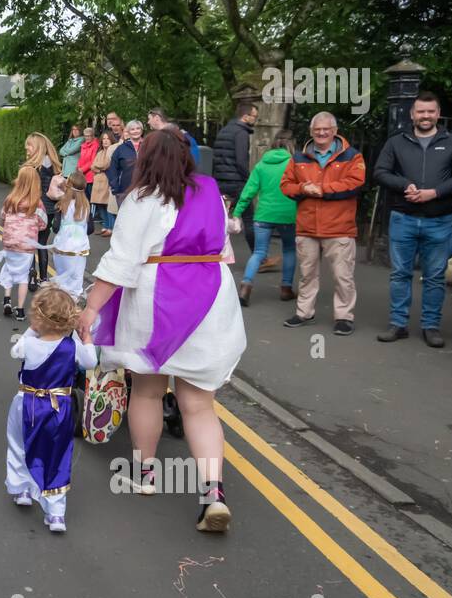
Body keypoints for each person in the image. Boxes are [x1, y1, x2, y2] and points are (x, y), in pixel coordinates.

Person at [77, 128, 246, 532]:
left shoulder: (142, 198)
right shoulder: (210, 193)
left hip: (157, 299)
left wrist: (91, 310)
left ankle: (145, 474)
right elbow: (225, 251)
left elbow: (121, 262)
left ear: (145, 160)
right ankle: (213, 495)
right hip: (209, 298)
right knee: (200, 406)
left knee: (150, 391)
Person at [372, 91, 452, 347]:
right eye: (421, 111)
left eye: (430, 111)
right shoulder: (396, 141)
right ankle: (398, 323)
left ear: (438, 114)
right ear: (412, 114)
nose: (425, 116)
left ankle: (431, 326)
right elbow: (380, 172)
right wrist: (405, 185)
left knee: (435, 276)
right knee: (400, 274)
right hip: (402, 217)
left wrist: (434, 193)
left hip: (439, 219)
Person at [6, 287, 98, 532]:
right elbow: (91, 362)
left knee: (20, 446)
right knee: (57, 456)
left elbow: (15, 351)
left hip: (27, 403)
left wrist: (32, 329)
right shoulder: (72, 347)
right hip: (60, 408)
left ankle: (22, 488)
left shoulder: (29, 345)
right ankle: (56, 513)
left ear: (37, 318)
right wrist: (84, 336)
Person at [278, 112, 367, 335]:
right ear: (311, 132)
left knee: (342, 275)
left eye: (326, 129)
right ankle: (304, 312)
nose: (321, 132)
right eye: (317, 129)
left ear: (335, 131)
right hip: (307, 226)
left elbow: (355, 183)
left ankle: (344, 317)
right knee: (307, 274)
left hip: (339, 227)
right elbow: (286, 185)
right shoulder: (298, 157)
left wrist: (322, 190)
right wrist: (302, 189)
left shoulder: (352, 156)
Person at [232, 130, 298, 305]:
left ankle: (246, 285)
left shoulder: (262, 165)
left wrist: (237, 212)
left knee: (259, 252)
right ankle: (286, 288)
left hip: (263, 214)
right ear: (291, 144)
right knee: (289, 249)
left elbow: (248, 192)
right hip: (288, 214)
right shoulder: (295, 164)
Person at [0, 166, 47, 321]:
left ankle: (7, 300)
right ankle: (19, 310)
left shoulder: (10, 199)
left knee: (8, 270)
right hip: (27, 245)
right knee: (23, 277)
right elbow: (43, 223)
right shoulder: (37, 203)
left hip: (10, 242)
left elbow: (2, 216)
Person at [213, 102, 259, 257]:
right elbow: (241, 161)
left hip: (221, 182)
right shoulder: (241, 133)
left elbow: (216, 157)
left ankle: (213, 251)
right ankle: (259, 256)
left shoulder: (224, 130)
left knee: (219, 219)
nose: (255, 120)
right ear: (245, 117)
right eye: (254, 116)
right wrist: (249, 179)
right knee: (249, 219)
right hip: (237, 182)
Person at [23, 132, 62, 289]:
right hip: (50, 208)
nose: (27, 150)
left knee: (31, 243)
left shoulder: (32, 167)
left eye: (29, 147)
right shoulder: (54, 165)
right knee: (42, 243)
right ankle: (44, 278)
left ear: (37, 147)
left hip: (34, 207)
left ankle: (32, 275)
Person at [51, 171, 92, 300]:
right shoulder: (86, 207)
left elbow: (56, 227)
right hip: (79, 248)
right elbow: (90, 229)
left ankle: (60, 306)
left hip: (62, 247)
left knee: (62, 279)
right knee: (76, 281)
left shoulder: (61, 204)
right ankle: (73, 308)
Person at [106, 120, 144, 198]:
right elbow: (113, 169)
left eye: (138, 128)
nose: (135, 131)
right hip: (124, 191)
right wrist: (115, 188)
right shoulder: (121, 149)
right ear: (128, 132)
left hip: (145, 190)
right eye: (132, 129)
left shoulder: (149, 146)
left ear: (142, 130)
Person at [91, 129, 118, 234]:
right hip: (98, 182)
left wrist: (99, 167)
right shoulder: (100, 152)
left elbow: (107, 164)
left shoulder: (113, 151)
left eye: (107, 139)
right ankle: (105, 225)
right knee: (99, 204)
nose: (105, 141)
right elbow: (92, 166)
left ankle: (110, 228)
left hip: (107, 180)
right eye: (103, 139)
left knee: (108, 205)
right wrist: (99, 168)